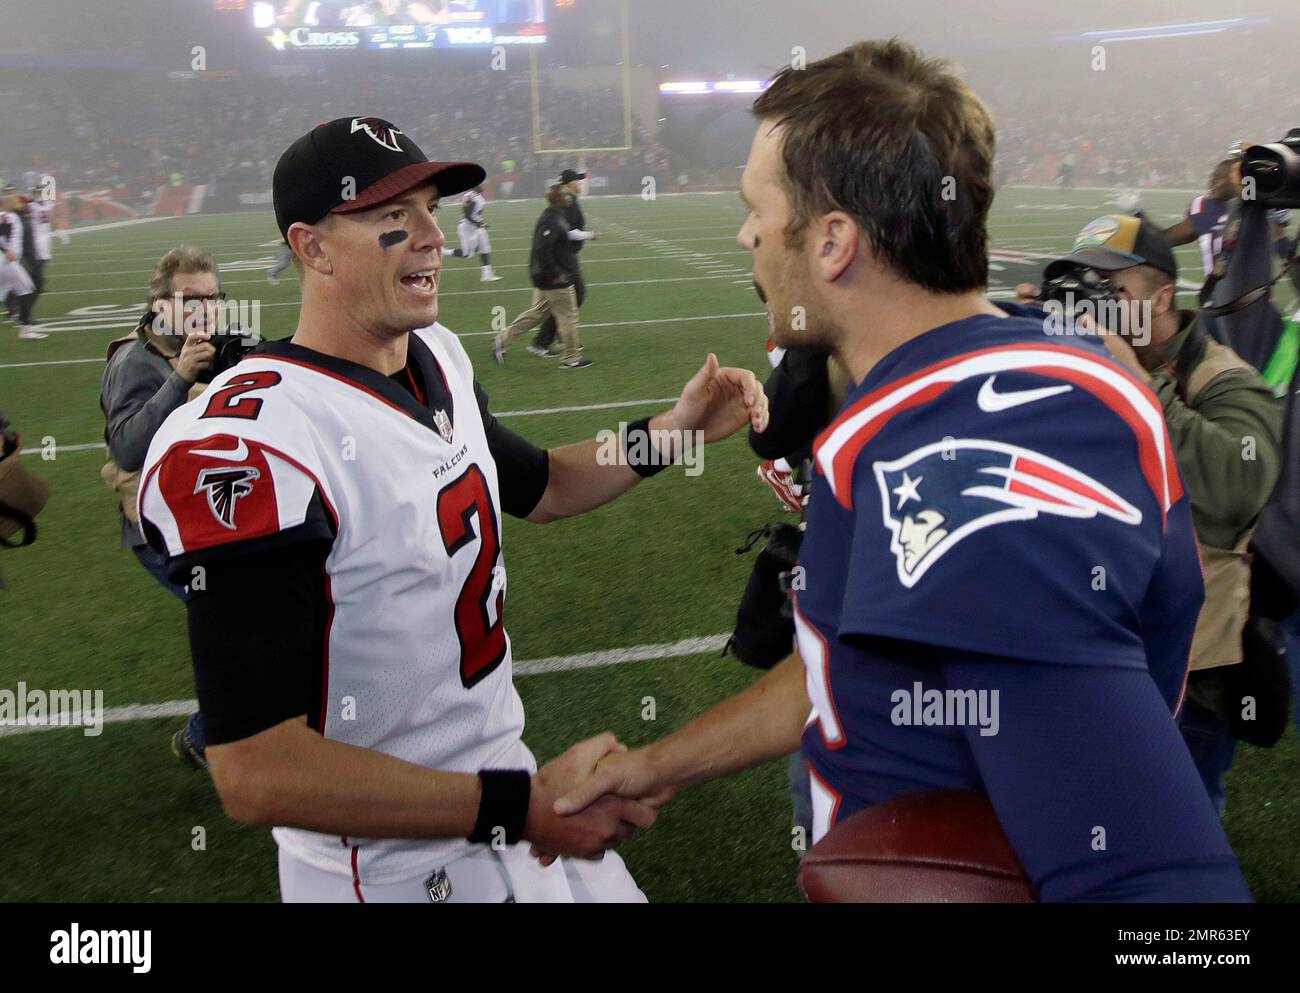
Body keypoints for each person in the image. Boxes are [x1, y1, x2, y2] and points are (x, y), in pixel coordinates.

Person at [549, 39, 1250, 902]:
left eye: (756, 210)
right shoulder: (1015, 380)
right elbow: (847, 665)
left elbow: (1157, 882)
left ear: (834, 240)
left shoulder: (958, 460)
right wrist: (660, 765)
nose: (746, 235)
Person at [135, 116, 766, 903]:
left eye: (432, 207)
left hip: (511, 795)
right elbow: (255, 768)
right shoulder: (253, 443)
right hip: (394, 866)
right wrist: (516, 810)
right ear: (313, 246)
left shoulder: (435, 357)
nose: (433, 235)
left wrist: (668, 435)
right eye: (393, 219)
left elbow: (543, 485)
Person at [1039, 214, 1284, 816]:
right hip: (1094, 645)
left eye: (1111, 291)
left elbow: (1237, 488)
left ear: (1163, 298)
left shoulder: (1224, 380)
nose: (1095, 308)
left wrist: (1133, 377)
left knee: (1178, 825)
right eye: (1084, 288)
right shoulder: (1087, 365)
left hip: (1188, 669)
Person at [100, 246, 222, 771]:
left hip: (200, 513)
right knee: (231, 616)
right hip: (156, 528)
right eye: (190, 299)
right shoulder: (134, 362)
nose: (204, 309)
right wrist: (181, 380)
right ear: (159, 303)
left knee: (240, 613)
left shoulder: (210, 344)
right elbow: (127, 447)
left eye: (213, 298)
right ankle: (205, 736)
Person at [492, 184, 597, 369]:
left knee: (537, 313)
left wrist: (588, 235)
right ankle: (571, 358)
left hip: (544, 277)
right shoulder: (551, 220)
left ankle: (502, 339)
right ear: (559, 199)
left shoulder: (555, 217)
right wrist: (557, 274)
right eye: (565, 196)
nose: (569, 198)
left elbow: (563, 237)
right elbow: (543, 250)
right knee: (568, 316)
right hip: (552, 279)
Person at [529, 169, 588, 357]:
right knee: (572, 298)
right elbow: (565, 232)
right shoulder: (567, 203)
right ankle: (545, 341)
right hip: (563, 260)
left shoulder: (569, 200)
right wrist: (590, 235)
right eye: (579, 181)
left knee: (553, 305)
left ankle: (555, 339)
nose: (581, 184)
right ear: (569, 183)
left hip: (565, 258)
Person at [0, 188, 41, 340]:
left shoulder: (10, 216)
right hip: (7, 261)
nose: (18, 203)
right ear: (6, 203)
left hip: (8, 260)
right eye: (14, 200)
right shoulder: (6, 216)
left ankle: (25, 329)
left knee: (13, 292)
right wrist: (5, 250)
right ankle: (26, 330)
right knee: (27, 290)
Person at [444, 185, 502, 282]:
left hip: (475, 227)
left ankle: (487, 275)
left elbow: (472, 214)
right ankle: (444, 252)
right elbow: (468, 215)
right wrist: (480, 223)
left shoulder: (471, 195)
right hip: (466, 227)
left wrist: (481, 223)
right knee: (467, 254)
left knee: (485, 248)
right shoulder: (475, 197)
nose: (483, 185)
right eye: (480, 184)